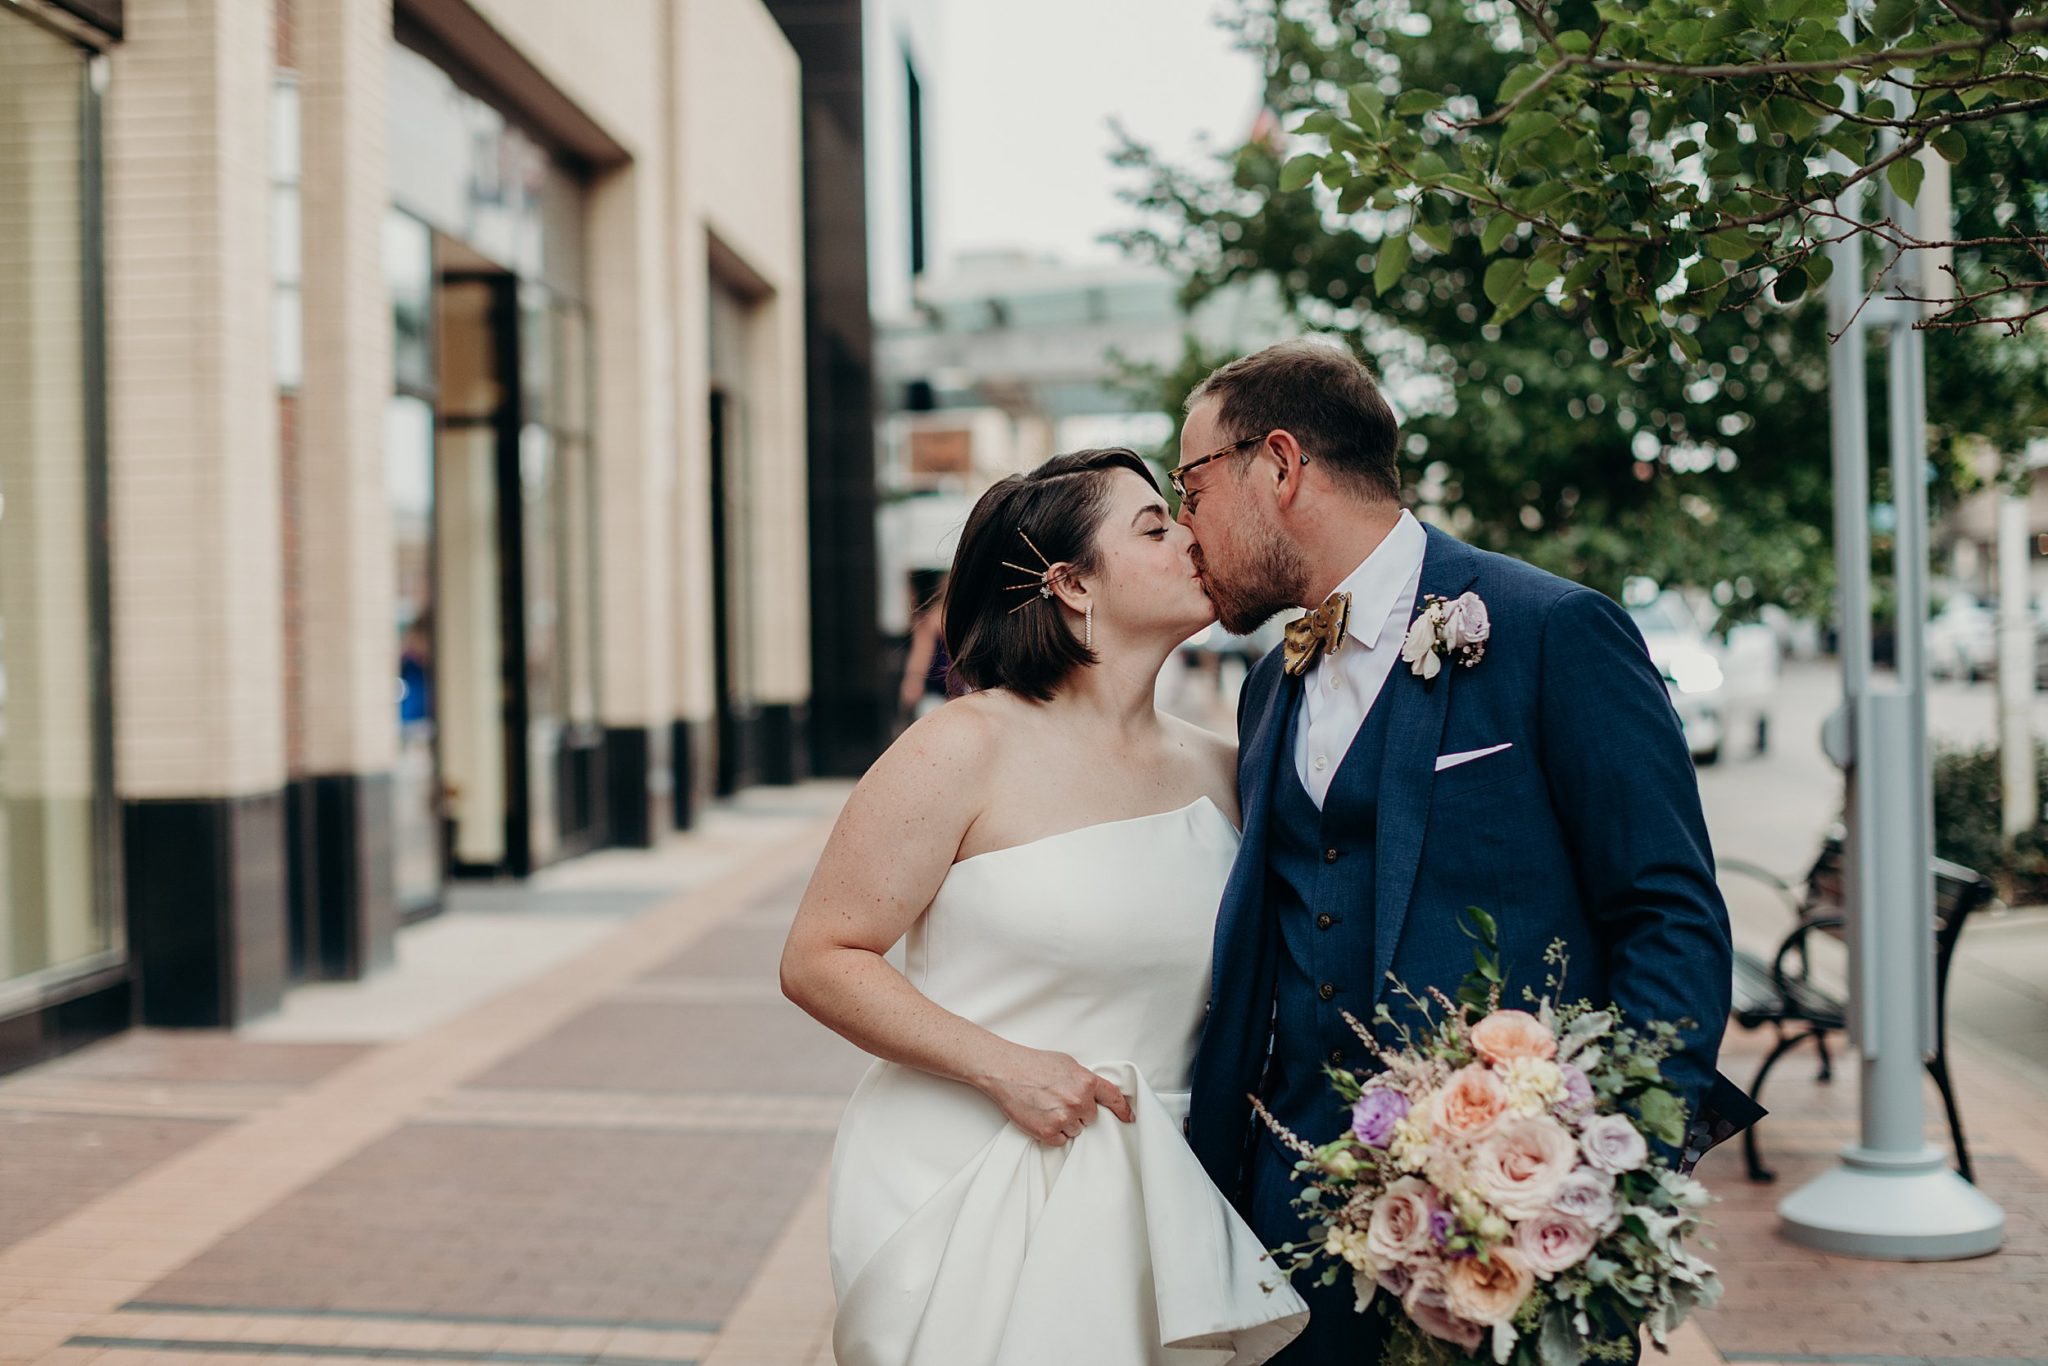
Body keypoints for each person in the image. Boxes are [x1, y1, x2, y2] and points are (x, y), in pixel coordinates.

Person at [1174, 339, 1758, 1365]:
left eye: (1191, 486)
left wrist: (1598, 1175)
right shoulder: (1269, 685)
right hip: (1290, 1222)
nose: (1186, 524)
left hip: (1502, 1230)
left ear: (1280, 464)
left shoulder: (1552, 631)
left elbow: (1667, 915)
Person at [781, 448, 1307, 1366]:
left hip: (1173, 1190)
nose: (1190, 535)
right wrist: (1005, 1068)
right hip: (983, 1174)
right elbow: (821, 956)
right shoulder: (961, 749)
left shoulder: (1227, 766)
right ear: (1071, 583)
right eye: (1154, 526)